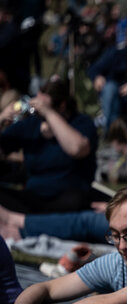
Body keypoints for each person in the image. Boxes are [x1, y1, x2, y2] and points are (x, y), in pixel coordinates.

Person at [0, 116, 127, 243]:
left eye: (123, 152)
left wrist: (116, 208)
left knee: (85, 221)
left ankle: (19, 225)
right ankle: (21, 223)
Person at [0, 77, 99, 216]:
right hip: (33, 197)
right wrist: (1, 119)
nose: (38, 112)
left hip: (69, 198)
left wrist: (48, 112)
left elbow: (77, 149)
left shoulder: (81, 122)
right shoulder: (31, 124)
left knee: (73, 201)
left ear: (62, 106)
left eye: (43, 106)